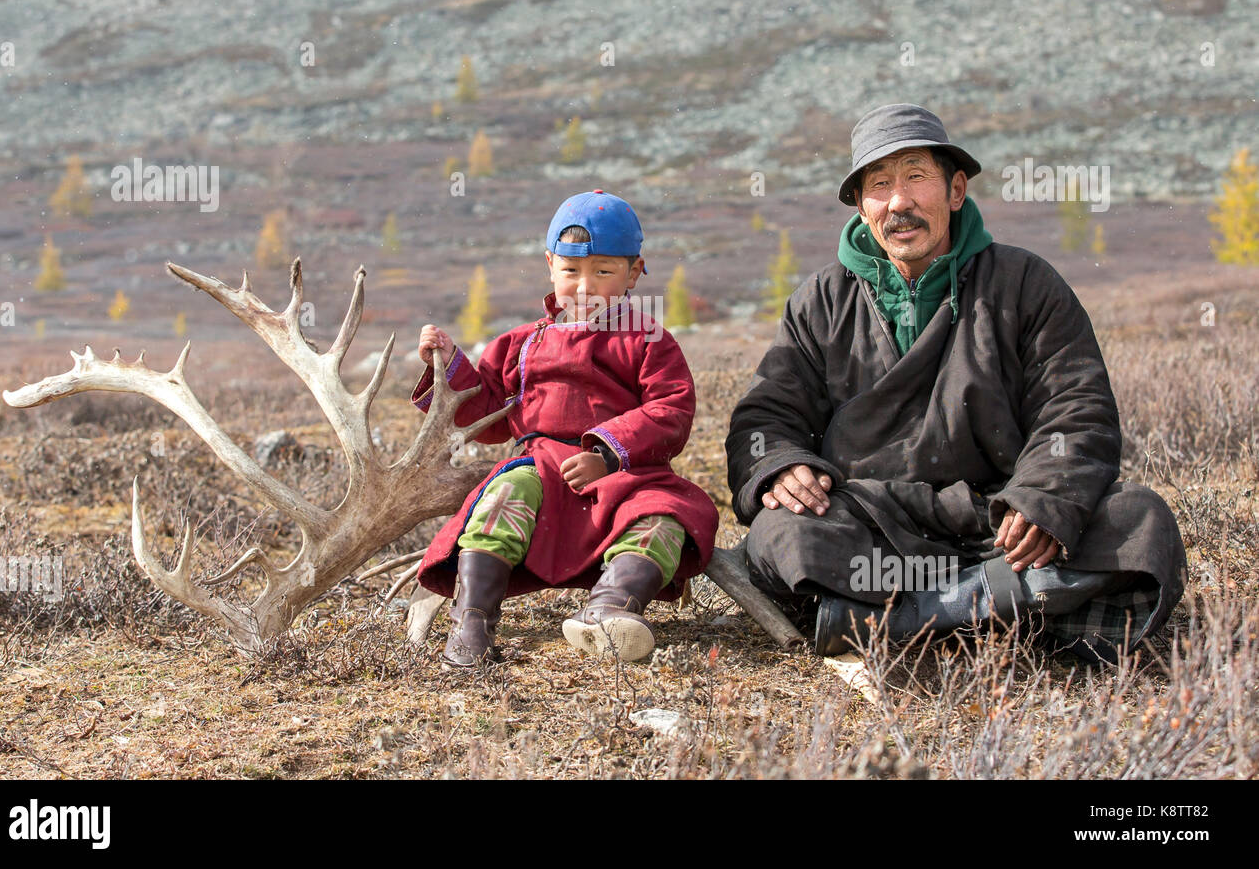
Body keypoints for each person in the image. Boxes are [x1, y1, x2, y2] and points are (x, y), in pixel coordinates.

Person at [725, 103, 1186, 663]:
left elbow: (1076, 407)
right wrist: (781, 464)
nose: (899, 201)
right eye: (880, 185)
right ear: (862, 205)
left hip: (1000, 522)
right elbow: (767, 414)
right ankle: (1001, 612)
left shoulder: (1024, 284)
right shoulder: (820, 301)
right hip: (873, 519)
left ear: (956, 190)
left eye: (917, 176)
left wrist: (1044, 496)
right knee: (782, 532)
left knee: (1138, 520)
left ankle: (891, 620)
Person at [413, 189, 718, 670]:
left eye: (603, 272)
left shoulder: (648, 341)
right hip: (539, 470)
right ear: (550, 265)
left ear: (634, 272)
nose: (584, 286)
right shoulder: (521, 343)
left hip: (627, 474)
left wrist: (608, 452)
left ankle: (611, 610)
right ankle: (472, 621)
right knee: (501, 494)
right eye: (572, 271)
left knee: (667, 516)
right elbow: (487, 415)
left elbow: (671, 409)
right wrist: (449, 364)